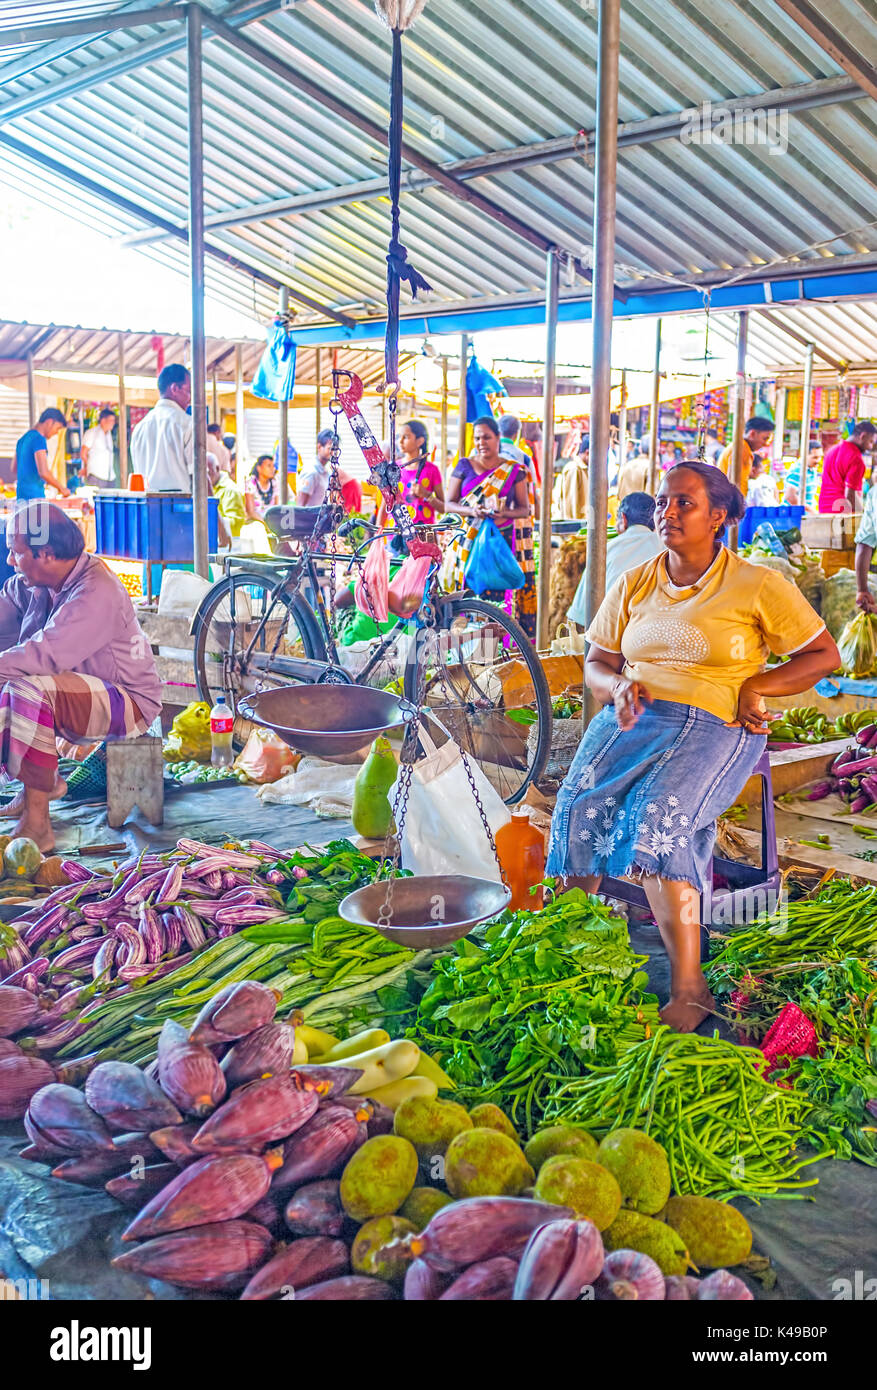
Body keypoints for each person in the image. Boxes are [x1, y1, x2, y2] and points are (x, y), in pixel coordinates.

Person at [547, 461, 837, 1031]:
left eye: (685, 503)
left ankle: (689, 982)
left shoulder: (758, 584)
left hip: (715, 722)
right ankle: (566, 947)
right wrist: (618, 688)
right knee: (577, 807)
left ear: (719, 516)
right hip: (632, 718)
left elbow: (822, 656)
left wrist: (759, 684)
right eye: (663, 502)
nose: (668, 513)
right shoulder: (633, 582)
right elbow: (597, 664)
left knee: (658, 820)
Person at [0, 502, 162, 850]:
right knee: (13, 681)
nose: (11, 561)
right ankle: (32, 791)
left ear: (45, 554)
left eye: (16, 553)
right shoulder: (32, 584)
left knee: (24, 687)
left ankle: (39, 823)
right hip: (68, 692)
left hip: (127, 701)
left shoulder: (96, 590)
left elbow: (45, 657)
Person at [444, 416, 536, 641]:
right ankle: (466, 652)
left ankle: (497, 648)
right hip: (469, 542)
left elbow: (524, 509)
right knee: (469, 597)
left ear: (498, 439)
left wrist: (503, 513)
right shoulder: (464, 465)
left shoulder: (514, 470)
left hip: (500, 543)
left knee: (496, 602)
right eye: (477, 438)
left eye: (486, 437)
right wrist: (473, 511)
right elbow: (449, 503)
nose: (481, 442)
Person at [568, 492, 663, 627]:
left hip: (612, 634)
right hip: (658, 630)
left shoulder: (605, 550)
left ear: (623, 519)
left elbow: (578, 615)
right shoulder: (666, 548)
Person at [129, 364, 192, 492]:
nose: (190, 399)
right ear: (174, 388)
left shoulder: (140, 428)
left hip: (148, 508)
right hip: (182, 508)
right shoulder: (187, 424)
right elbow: (198, 475)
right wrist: (214, 511)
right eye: (189, 391)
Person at [818, 421, 877, 515]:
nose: (870, 447)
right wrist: (863, 516)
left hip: (823, 510)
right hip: (843, 515)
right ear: (863, 436)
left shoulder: (832, 450)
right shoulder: (856, 459)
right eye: (870, 442)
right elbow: (850, 495)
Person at [13, 408, 70, 501]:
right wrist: (62, 488)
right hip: (35, 497)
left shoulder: (22, 439)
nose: (56, 433)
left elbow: (14, 468)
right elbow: (43, 472)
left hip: (21, 496)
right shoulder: (39, 439)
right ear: (49, 422)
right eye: (58, 428)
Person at [398, 420, 444, 524]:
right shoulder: (394, 469)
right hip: (396, 533)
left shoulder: (432, 470)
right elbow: (384, 505)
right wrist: (378, 532)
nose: (400, 441)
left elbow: (443, 508)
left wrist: (427, 495)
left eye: (406, 437)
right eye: (399, 436)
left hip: (423, 533)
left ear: (420, 441)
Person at [717, 415, 774, 494]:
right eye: (764, 439)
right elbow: (732, 478)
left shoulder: (744, 448)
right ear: (752, 434)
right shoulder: (741, 448)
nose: (765, 444)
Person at [206, 455, 246, 542]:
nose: (206, 478)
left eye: (208, 473)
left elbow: (235, 524)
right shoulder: (210, 487)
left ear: (217, 468)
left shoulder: (231, 491)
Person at [80, 409, 117, 488]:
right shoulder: (92, 433)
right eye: (111, 420)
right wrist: (89, 466)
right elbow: (83, 454)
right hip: (96, 475)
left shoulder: (109, 434)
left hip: (110, 476)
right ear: (103, 421)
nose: (113, 423)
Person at [296, 429, 332, 507]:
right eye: (329, 448)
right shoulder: (311, 472)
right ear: (319, 447)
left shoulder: (326, 472)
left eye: (335, 449)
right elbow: (300, 506)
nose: (332, 452)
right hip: (310, 519)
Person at [244, 455, 278, 521]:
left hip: (271, 520)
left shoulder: (275, 483)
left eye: (273, 466)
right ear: (259, 468)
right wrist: (266, 525)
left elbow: (278, 507)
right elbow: (251, 512)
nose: (273, 469)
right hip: (255, 521)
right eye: (269, 466)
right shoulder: (251, 483)